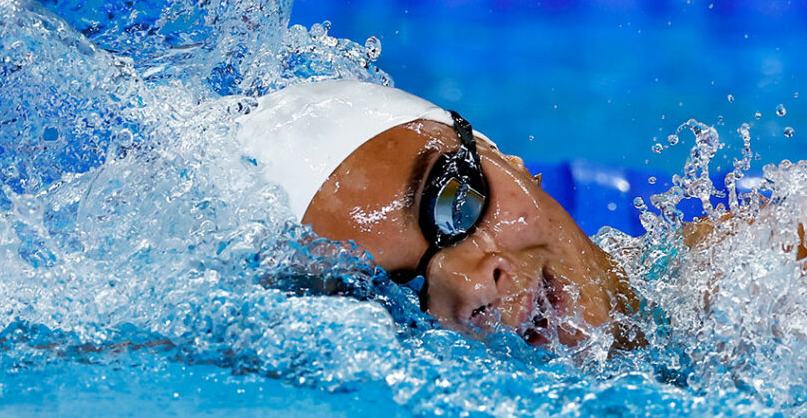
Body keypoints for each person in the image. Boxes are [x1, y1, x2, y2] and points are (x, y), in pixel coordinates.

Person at [237, 80, 807, 348]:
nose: (471, 285)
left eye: (452, 203)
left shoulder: (761, 283)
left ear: (505, 159)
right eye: (398, 295)